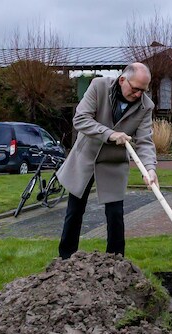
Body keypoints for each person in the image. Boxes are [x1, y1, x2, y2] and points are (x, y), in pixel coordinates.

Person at [56, 63, 158, 259]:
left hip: (113, 163)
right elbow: (81, 119)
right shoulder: (98, 87)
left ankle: (116, 262)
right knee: (74, 210)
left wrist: (150, 169)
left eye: (143, 91)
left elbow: (145, 141)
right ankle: (66, 259)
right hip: (86, 158)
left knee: (115, 216)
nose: (138, 94)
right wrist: (110, 134)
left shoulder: (146, 106)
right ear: (122, 80)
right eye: (135, 88)